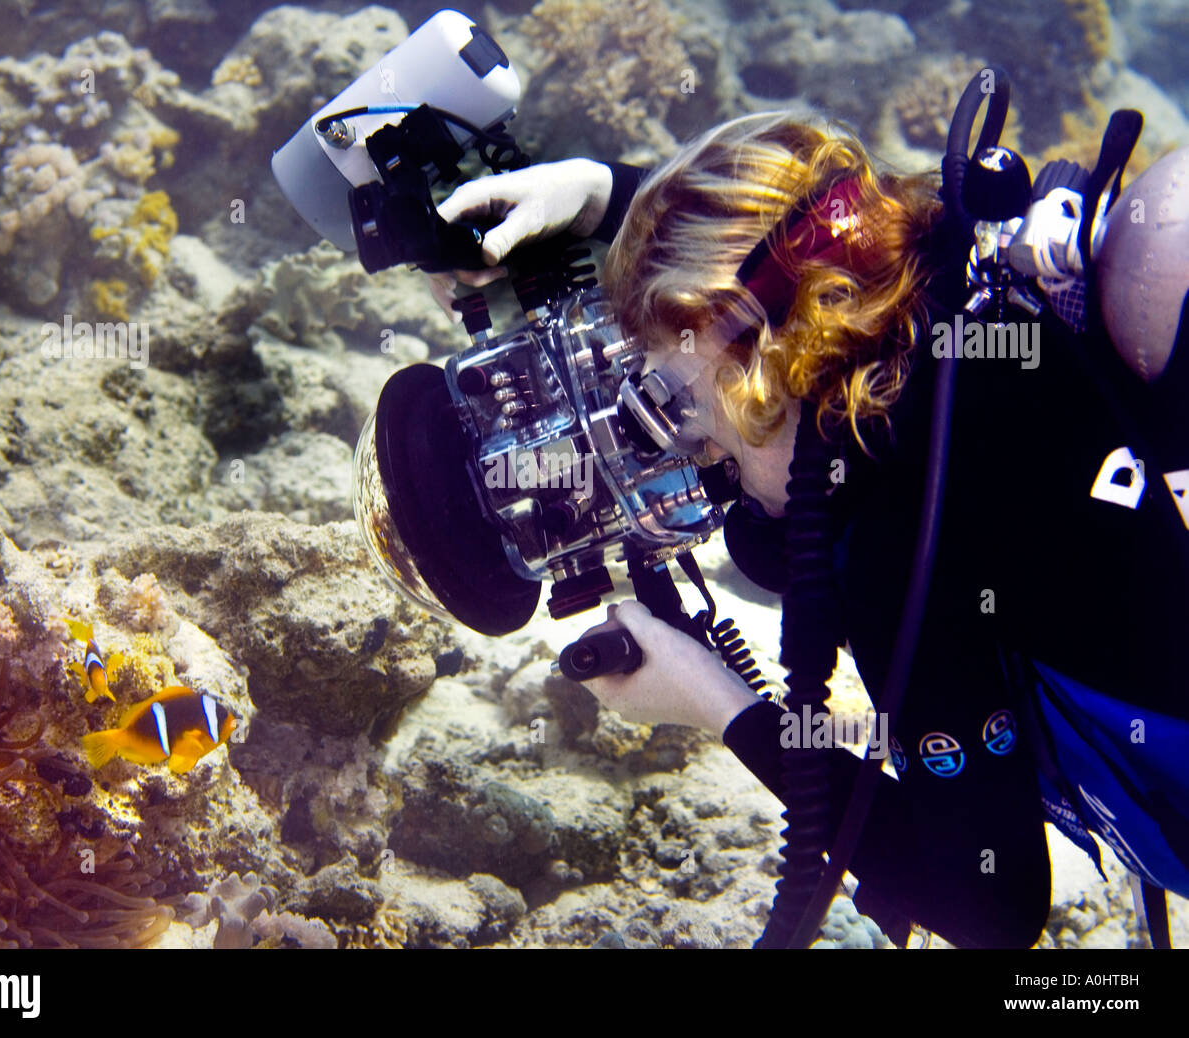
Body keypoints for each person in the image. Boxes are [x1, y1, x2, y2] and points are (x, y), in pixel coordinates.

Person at [428, 112, 1189, 948]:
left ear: (766, 361)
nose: (694, 448)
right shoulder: (946, 281)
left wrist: (718, 705)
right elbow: (796, 231)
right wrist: (608, 198)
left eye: (677, 406)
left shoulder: (907, 538)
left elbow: (990, 907)